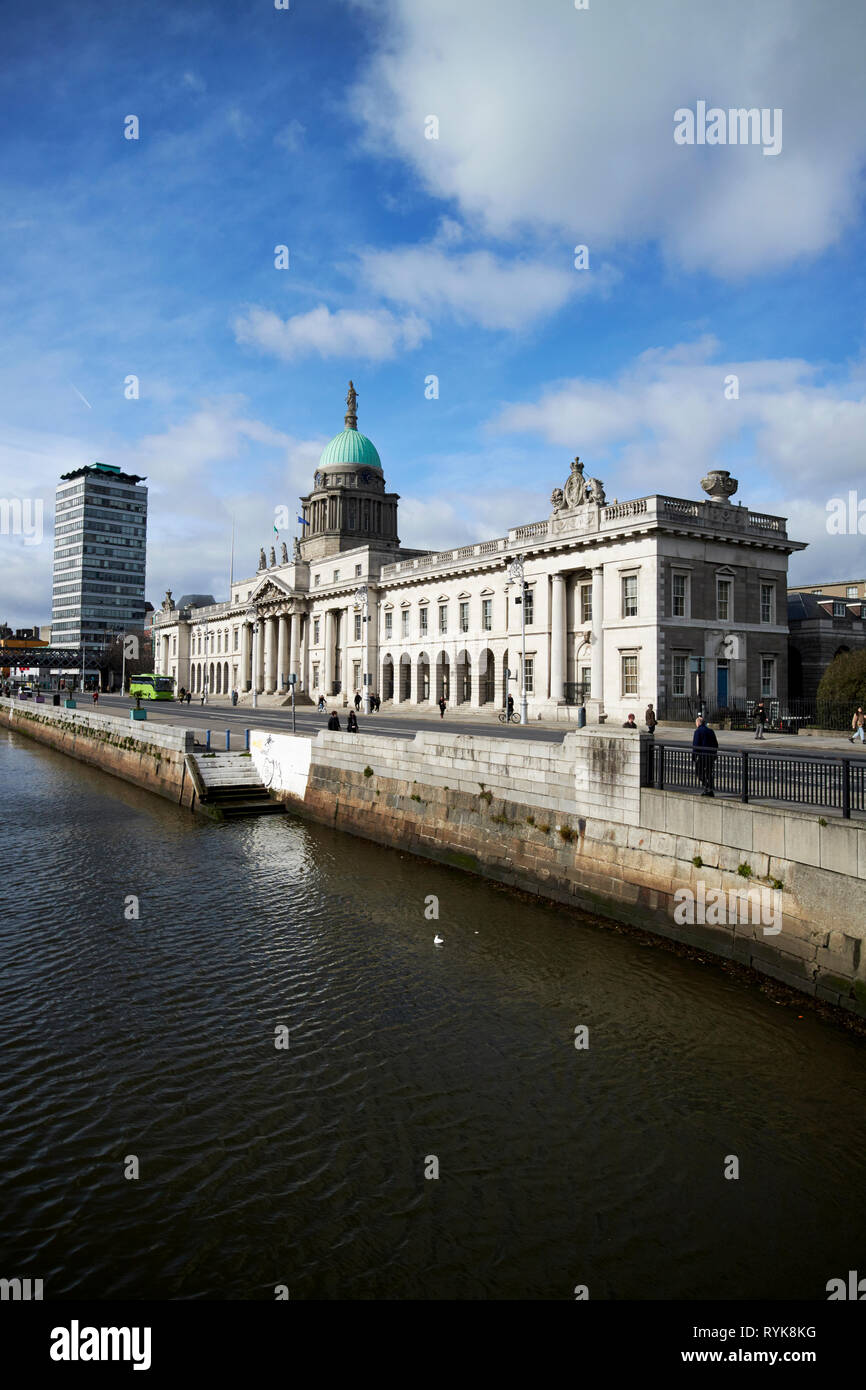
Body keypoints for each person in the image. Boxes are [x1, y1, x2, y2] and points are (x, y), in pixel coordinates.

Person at [692, 715, 718, 796]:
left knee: (699, 772)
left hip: (702, 755)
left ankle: (706, 786)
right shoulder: (711, 731)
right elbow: (716, 744)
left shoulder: (698, 731)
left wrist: (694, 756)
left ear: (698, 723)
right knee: (709, 772)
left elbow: (696, 745)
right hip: (711, 755)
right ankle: (710, 789)